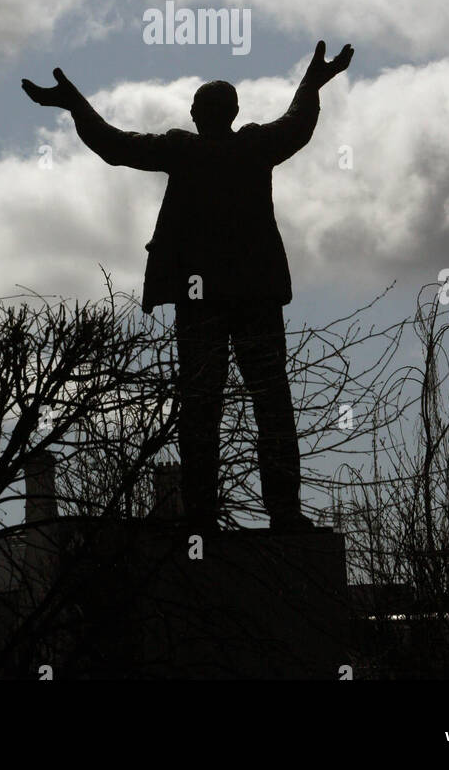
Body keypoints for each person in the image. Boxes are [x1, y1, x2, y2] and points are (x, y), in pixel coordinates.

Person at [22, 38, 354, 533]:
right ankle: (279, 510)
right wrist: (313, 80)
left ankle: (203, 514)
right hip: (253, 296)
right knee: (268, 404)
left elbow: (115, 145)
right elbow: (299, 123)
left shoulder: (186, 150)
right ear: (233, 114)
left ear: (200, 115)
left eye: (199, 109)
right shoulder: (253, 147)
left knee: (204, 406)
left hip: (206, 302)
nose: (197, 115)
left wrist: (74, 103)